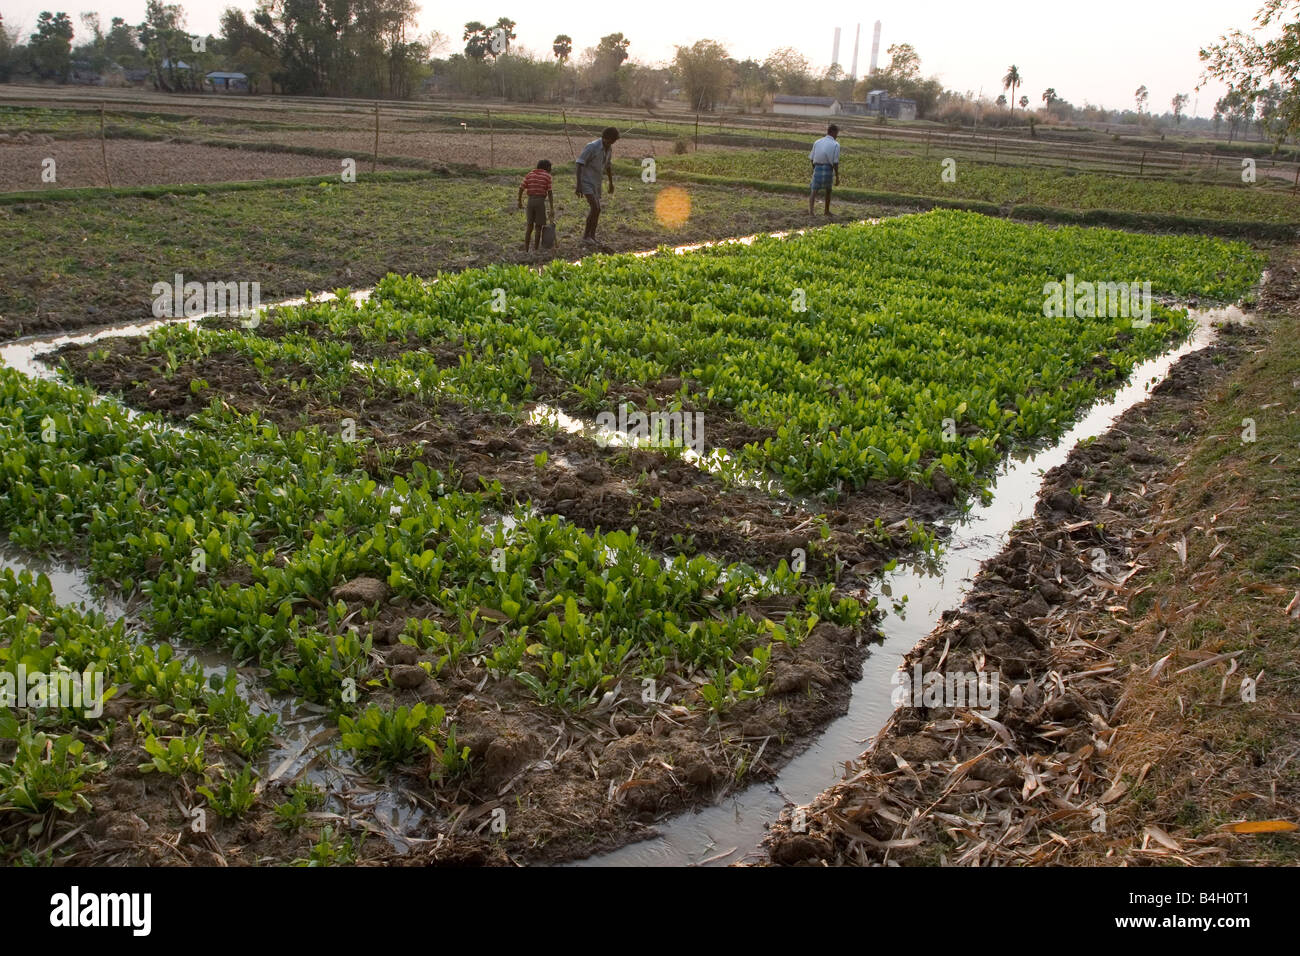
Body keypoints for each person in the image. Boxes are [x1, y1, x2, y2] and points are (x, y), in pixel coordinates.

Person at [575, 127, 619, 245]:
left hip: (596, 183)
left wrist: (611, 183)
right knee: (595, 208)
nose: (612, 143)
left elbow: (608, 166)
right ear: (606, 138)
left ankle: (592, 236)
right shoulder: (592, 147)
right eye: (611, 141)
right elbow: (579, 164)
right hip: (586, 181)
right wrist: (578, 185)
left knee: (597, 210)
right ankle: (586, 236)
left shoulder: (609, 149)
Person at [518, 159, 555, 251]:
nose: (551, 169)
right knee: (538, 227)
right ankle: (535, 249)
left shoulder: (529, 174)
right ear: (547, 167)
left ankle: (526, 249)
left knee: (529, 226)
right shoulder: (547, 176)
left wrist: (519, 201)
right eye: (550, 167)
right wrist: (551, 207)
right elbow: (550, 192)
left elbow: (521, 188)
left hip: (530, 202)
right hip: (540, 202)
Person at [809, 124, 841, 216]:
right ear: (833, 132)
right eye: (836, 133)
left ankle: (811, 212)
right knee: (828, 190)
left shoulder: (817, 142)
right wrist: (837, 176)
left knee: (814, 190)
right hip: (828, 168)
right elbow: (835, 162)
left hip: (817, 167)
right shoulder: (836, 144)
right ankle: (826, 211)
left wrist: (814, 169)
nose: (837, 135)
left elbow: (812, 158)